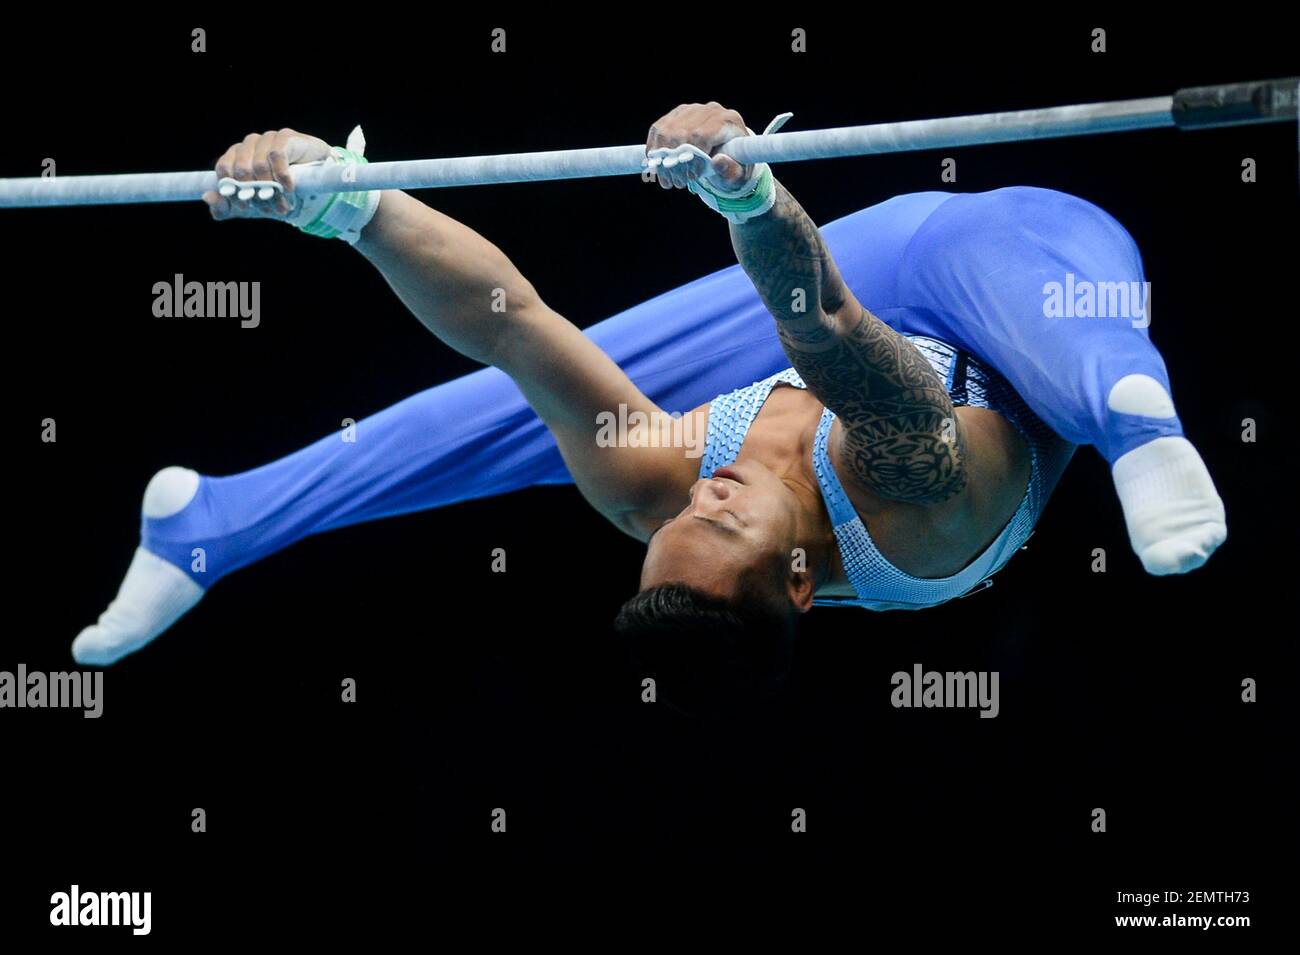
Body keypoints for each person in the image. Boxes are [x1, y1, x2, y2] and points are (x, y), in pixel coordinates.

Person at [73, 103, 1226, 698]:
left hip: (838, 283)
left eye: (673, 526)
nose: (703, 494)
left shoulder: (659, 493)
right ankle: (1136, 418)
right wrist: (746, 193)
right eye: (721, 524)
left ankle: (214, 520)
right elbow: (822, 325)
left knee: (522, 401)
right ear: (796, 583)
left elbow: (505, 319)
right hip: (974, 283)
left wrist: (342, 205)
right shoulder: (921, 516)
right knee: (1071, 327)